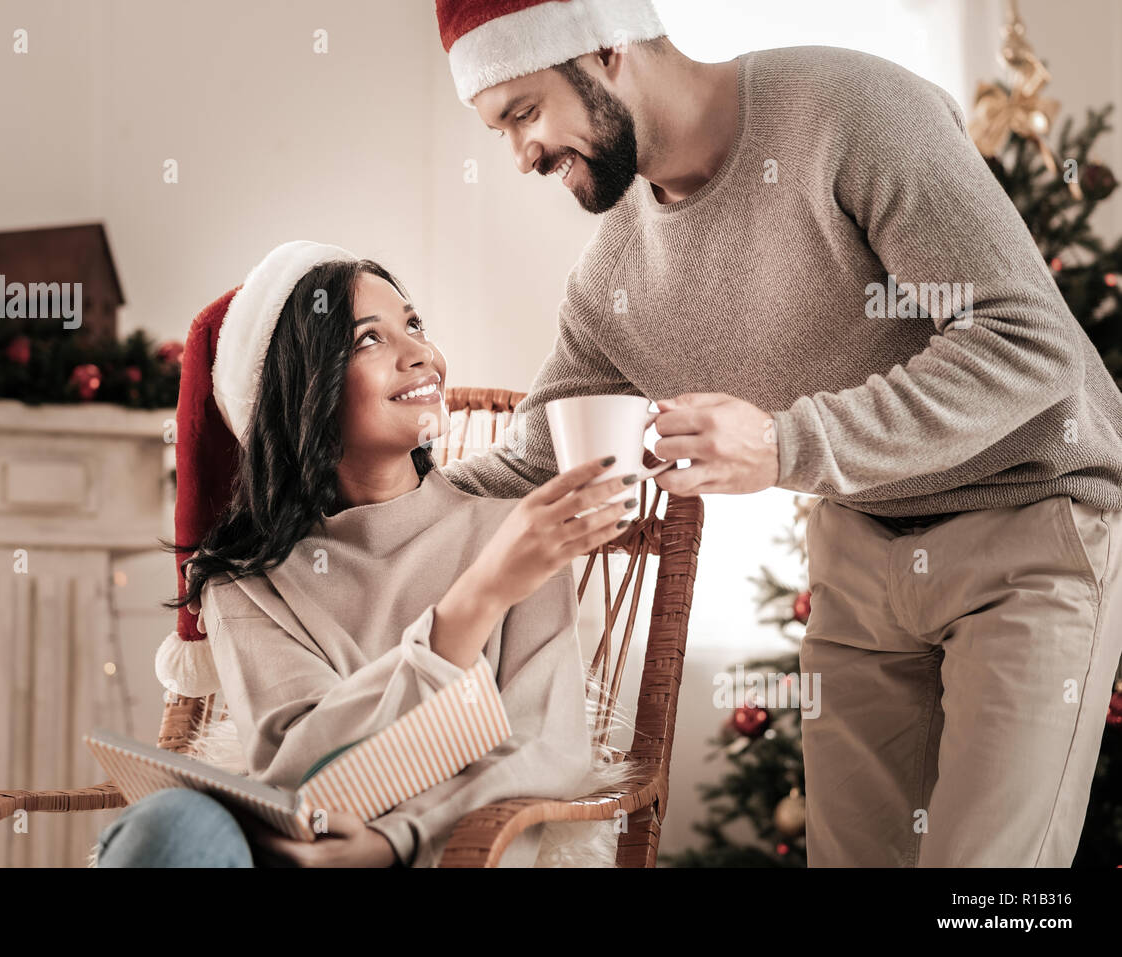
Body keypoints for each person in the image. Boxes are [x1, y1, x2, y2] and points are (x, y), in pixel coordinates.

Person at [431, 0, 1122, 865]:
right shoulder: (611, 276)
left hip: (1033, 526)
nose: (521, 155)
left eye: (524, 113)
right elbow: (531, 460)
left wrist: (786, 444)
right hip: (858, 554)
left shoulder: (850, 110)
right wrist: (327, 508)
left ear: (605, 44)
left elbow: (1029, 342)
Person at [95, 240, 640, 868]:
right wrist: (473, 603)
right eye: (368, 340)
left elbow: (547, 750)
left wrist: (393, 841)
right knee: (171, 824)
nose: (421, 356)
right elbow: (301, 767)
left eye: (414, 324)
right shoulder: (246, 583)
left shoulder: (513, 536)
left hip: (447, 856)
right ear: (305, 390)